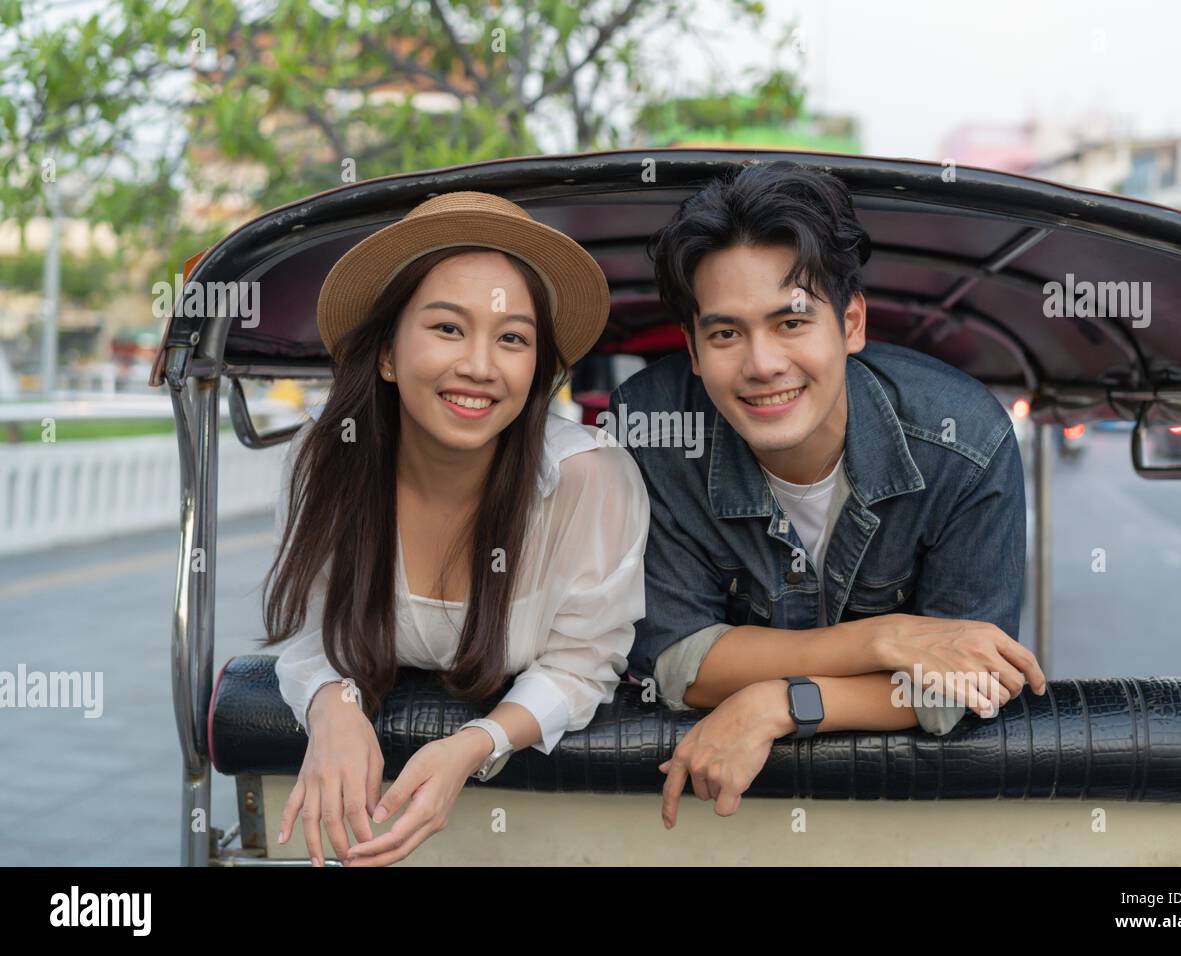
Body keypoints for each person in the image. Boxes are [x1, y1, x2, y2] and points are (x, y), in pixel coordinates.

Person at [608, 161, 1046, 828]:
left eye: (791, 322)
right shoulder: (653, 428)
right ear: (693, 352)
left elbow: (963, 683)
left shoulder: (965, 442)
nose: (762, 364)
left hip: (912, 816)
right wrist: (889, 639)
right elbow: (679, 662)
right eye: (726, 333)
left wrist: (781, 704)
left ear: (851, 325)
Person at [262, 192, 649, 865]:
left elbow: (584, 663)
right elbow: (309, 628)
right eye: (447, 329)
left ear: (535, 372)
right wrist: (331, 708)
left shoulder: (591, 478)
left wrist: (475, 745)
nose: (478, 365)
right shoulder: (324, 458)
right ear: (385, 354)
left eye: (512, 339)